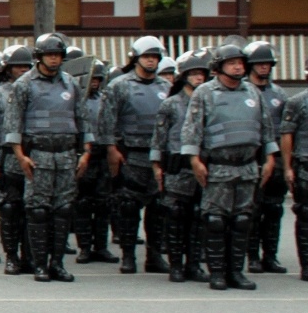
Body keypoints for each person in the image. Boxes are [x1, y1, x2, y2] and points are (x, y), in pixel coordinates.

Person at [181, 43, 279, 292]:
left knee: (243, 220)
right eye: (232, 63)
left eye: (240, 63)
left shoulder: (253, 92)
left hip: (247, 167)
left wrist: (269, 158)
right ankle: (217, 273)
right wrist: (194, 160)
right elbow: (192, 128)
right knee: (215, 220)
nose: (238, 67)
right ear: (219, 67)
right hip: (219, 167)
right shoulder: (205, 92)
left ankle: (236, 272)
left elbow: (266, 128)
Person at [1, 34, 88, 283]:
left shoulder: (71, 84)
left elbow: (82, 119)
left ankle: (57, 263)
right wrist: (21, 157)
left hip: (66, 155)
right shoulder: (24, 84)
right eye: (49, 54)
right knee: (38, 210)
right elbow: (13, 126)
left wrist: (87, 152)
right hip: (38, 155)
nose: (54, 59)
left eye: (58, 55)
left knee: (64, 210)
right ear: (39, 57)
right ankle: (39, 264)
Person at [95, 37, 169, 274]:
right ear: (135, 58)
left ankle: (155, 256)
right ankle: (128, 256)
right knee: (128, 207)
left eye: (155, 57)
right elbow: (106, 121)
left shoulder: (166, 87)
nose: (151, 61)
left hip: (158, 155)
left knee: (158, 209)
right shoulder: (119, 86)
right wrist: (111, 149)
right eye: (147, 56)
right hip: (130, 155)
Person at [153, 50, 211, 284]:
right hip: (177, 166)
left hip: (202, 164)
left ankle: (194, 264)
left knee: (199, 216)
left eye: (202, 74)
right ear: (184, 76)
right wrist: (157, 165)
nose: (198, 78)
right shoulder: (170, 104)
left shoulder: (210, 100)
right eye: (194, 73)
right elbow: (158, 137)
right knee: (176, 215)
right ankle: (176, 265)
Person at [0, 45, 33, 274]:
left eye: (26, 66)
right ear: (7, 68)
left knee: (33, 209)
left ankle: (31, 255)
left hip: (35, 155)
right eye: (17, 66)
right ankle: (11, 256)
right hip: (8, 156)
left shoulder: (37, 91)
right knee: (9, 208)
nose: (22, 70)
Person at [245, 41, 290, 273]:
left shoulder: (279, 94)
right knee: (253, 209)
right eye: (259, 63)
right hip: (252, 156)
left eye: (267, 64)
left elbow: (286, 129)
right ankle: (252, 256)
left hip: (277, 158)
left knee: (274, 209)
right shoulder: (242, 90)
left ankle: (270, 256)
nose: (263, 67)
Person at [72, 60, 119, 265]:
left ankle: (101, 246)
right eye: (93, 78)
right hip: (84, 153)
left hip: (101, 153)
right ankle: (84, 247)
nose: (95, 83)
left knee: (103, 203)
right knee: (82, 203)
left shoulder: (105, 100)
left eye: (99, 79)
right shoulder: (77, 99)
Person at [279, 73, 308, 281]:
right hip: (305, 163)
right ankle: (306, 265)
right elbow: (287, 135)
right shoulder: (296, 102)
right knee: (305, 215)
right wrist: (288, 167)